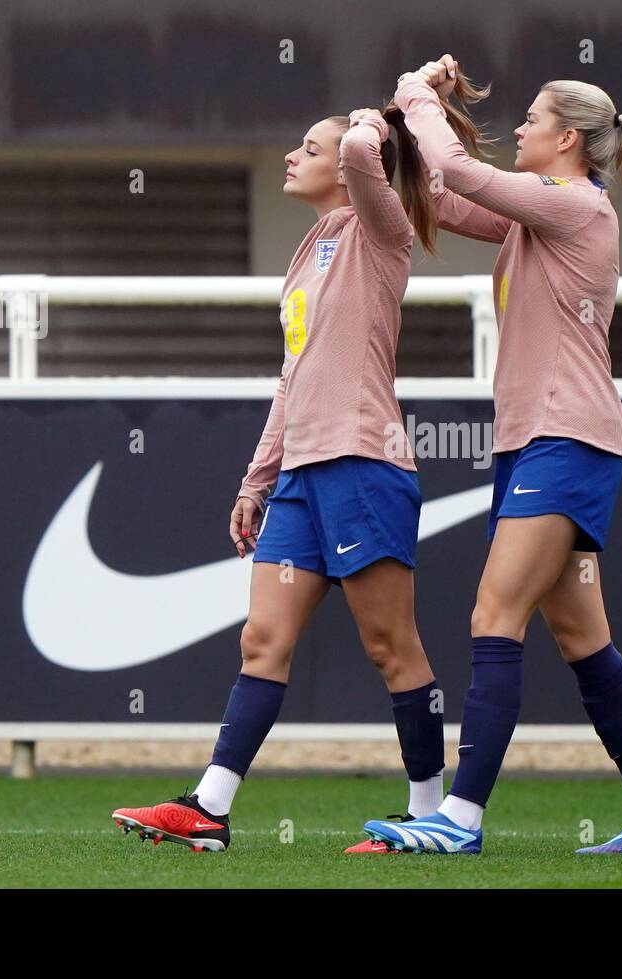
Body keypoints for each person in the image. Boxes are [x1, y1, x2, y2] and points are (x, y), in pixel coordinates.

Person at [362, 56, 622, 855]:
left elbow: (460, 170)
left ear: (568, 139)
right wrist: (410, 119)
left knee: (492, 614)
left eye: (534, 120)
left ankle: (460, 820)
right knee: (582, 639)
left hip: (564, 441)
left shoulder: (572, 205)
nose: (520, 129)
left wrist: (413, 96)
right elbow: (437, 192)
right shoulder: (537, 213)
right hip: (541, 445)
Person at [112, 106, 446, 853]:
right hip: (299, 476)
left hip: (363, 462)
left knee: (392, 644)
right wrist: (255, 481)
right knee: (262, 638)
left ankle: (433, 812)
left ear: (353, 163)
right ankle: (210, 805)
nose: (293, 156)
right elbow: (292, 379)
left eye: (311, 147)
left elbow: (367, 150)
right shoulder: (308, 251)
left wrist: (371, 117)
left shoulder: (379, 231)